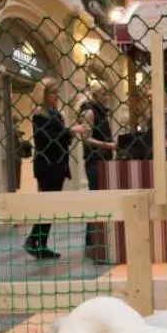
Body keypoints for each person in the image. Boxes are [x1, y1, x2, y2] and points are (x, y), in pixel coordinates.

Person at [25, 80, 105, 260]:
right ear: (45, 95)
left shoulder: (55, 114)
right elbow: (47, 138)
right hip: (47, 166)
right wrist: (70, 131)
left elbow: (63, 139)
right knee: (48, 206)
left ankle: (40, 244)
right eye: (53, 93)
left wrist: (70, 132)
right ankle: (33, 240)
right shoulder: (39, 114)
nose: (57, 96)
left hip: (58, 165)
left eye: (57, 92)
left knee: (50, 207)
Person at [74, 82, 118, 259]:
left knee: (101, 200)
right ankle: (91, 243)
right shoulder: (90, 112)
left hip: (103, 160)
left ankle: (96, 241)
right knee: (96, 200)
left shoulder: (101, 112)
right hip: (94, 162)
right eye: (104, 93)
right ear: (96, 95)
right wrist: (107, 145)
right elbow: (86, 138)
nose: (107, 97)